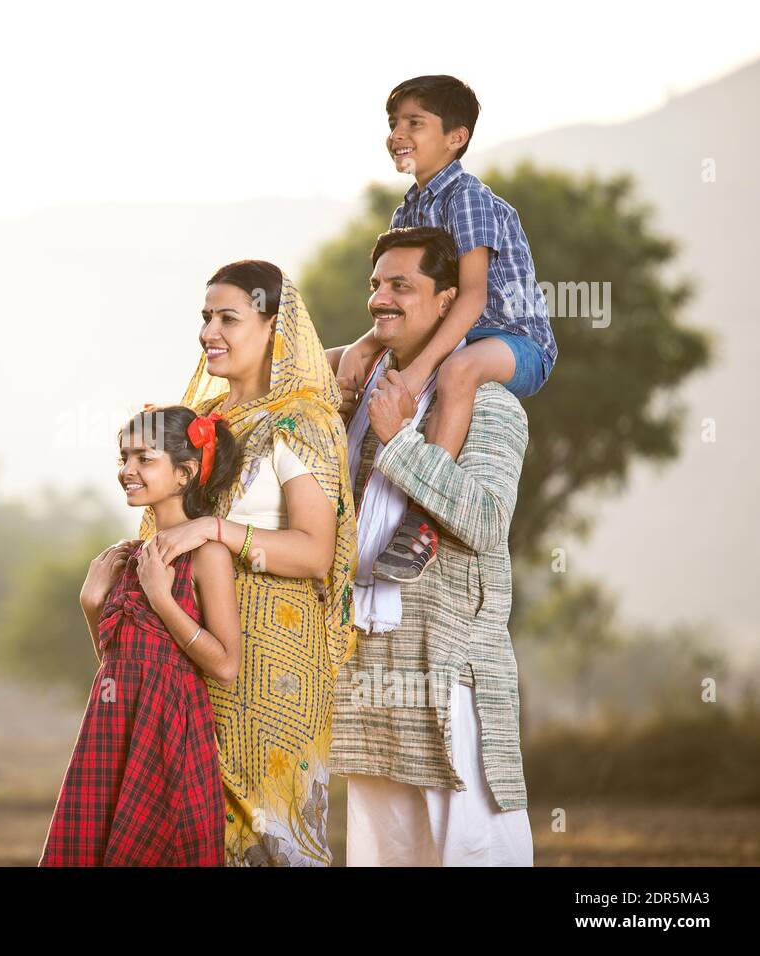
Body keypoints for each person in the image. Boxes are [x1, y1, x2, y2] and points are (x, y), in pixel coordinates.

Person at [328, 226, 534, 866]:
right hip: (368, 674)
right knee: (382, 856)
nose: (379, 299)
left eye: (400, 286)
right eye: (375, 285)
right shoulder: (358, 403)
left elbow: (486, 521)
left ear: (449, 300)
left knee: (476, 853)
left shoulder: (493, 406)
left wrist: (402, 444)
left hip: (452, 674)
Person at [141, 261, 358, 866]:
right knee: (195, 837)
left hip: (277, 668)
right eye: (206, 317)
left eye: (227, 318)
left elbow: (315, 553)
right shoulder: (203, 423)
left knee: (269, 843)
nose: (210, 330)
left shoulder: (301, 422)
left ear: (273, 329)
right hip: (203, 653)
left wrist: (212, 528)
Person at [333, 75, 557, 585]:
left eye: (415, 122)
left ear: (456, 138)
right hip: (457, 332)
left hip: (509, 338)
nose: (398, 134)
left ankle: (423, 520)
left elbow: (472, 296)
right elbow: (401, 296)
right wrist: (360, 349)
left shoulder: (468, 198)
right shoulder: (407, 208)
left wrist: (414, 377)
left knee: (457, 373)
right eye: (393, 124)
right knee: (335, 358)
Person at [39, 404, 243, 866]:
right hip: (112, 727)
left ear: (185, 472)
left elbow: (227, 666)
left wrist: (162, 598)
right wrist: (91, 605)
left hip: (168, 734)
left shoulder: (207, 553)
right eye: (123, 459)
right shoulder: (127, 555)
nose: (127, 471)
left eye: (143, 459)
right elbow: (119, 665)